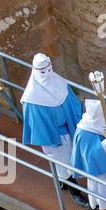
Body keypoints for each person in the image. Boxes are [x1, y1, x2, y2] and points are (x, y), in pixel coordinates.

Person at [20, 53, 85, 202]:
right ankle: (75, 192)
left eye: (48, 70)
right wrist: (47, 142)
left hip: (69, 129)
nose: (47, 75)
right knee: (63, 163)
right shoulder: (32, 98)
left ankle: (66, 182)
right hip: (53, 136)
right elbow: (36, 123)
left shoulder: (59, 82)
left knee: (72, 159)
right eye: (42, 72)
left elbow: (72, 102)